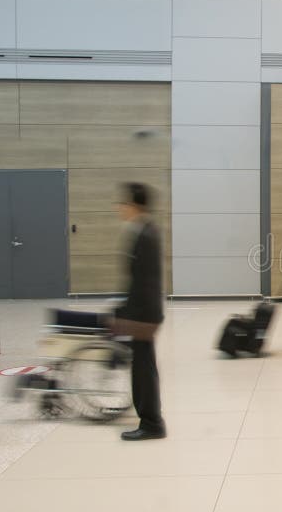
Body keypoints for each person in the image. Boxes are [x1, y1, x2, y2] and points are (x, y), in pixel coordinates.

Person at [114, 183, 166, 441]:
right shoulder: (145, 230)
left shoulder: (145, 234)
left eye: (123, 203)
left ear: (135, 205)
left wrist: (126, 313)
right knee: (144, 367)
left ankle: (152, 424)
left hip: (144, 315)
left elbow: (144, 282)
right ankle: (151, 420)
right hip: (144, 312)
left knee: (143, 369)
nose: (120, 208)